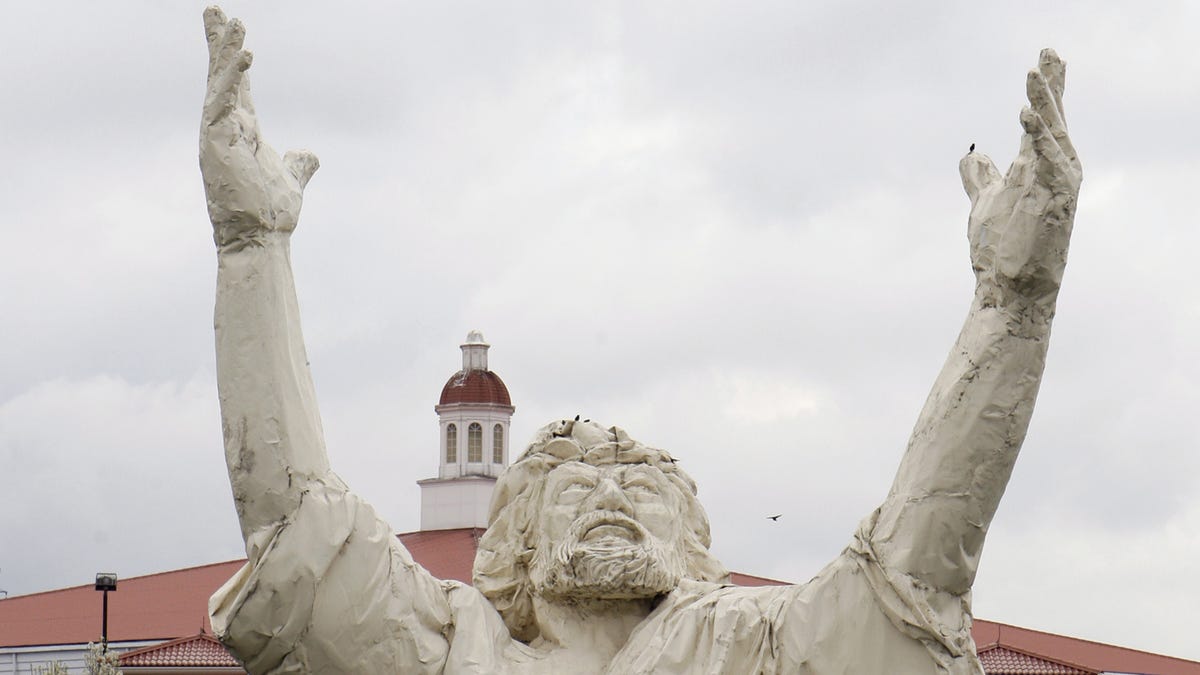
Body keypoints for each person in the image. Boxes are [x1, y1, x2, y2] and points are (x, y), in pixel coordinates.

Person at [199, 7, 1081, 674]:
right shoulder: (445, 648)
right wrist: (251, 247)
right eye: (574, 481)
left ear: (696, 543)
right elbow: (293, 521)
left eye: (642, 485)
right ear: (515, 543)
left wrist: (1015, 300)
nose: (607, 492)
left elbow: (915, 567)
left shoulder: (755, 651)